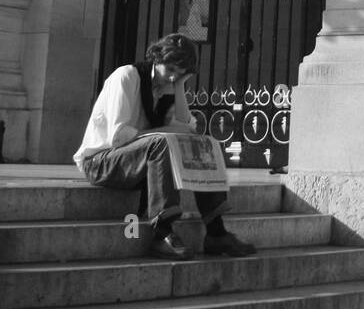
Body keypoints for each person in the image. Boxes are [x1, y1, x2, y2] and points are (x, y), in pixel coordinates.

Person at [74, 32, 255, 261]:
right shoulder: (127, 76)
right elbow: (119, 136)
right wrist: (166, 134)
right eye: (170, 71)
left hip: (140, 163)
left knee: (203, 143)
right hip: (101, 162)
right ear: (156, 59)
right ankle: (162, 233)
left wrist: (179, 88)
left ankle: (216, 232)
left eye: (179, 75)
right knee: (161, 143)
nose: (172, 78)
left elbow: (188, 128)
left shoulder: (169, 88)